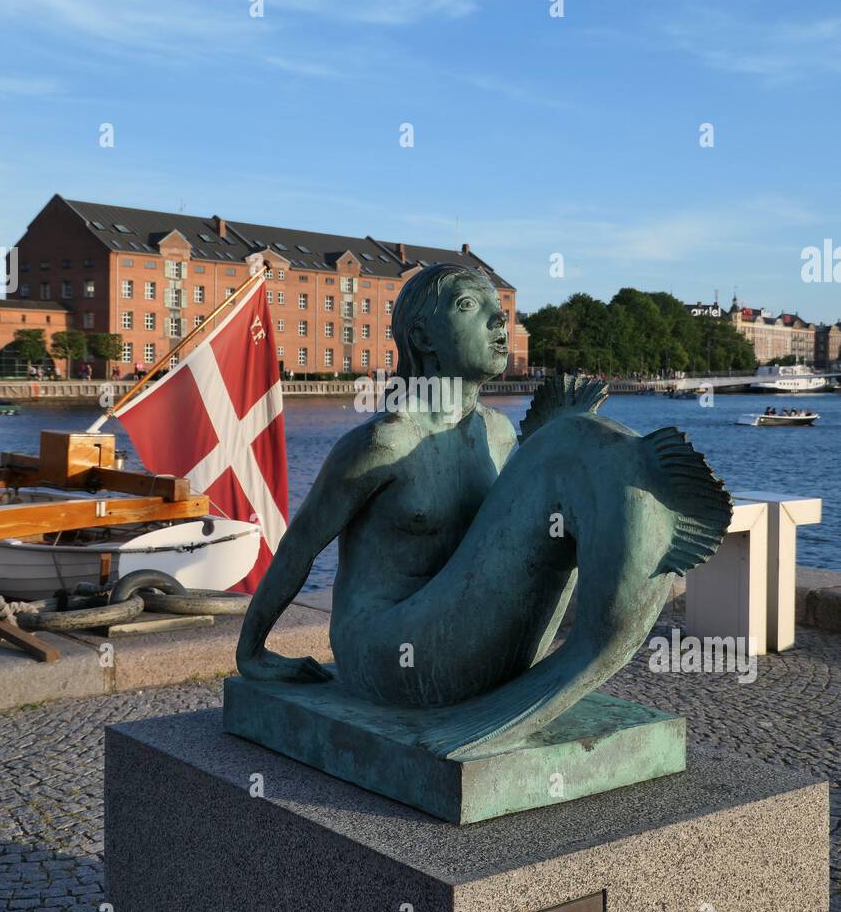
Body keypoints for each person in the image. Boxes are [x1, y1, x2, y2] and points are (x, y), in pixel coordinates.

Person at [238, 263, 729, 725]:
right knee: (567, 443)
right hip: (385, 653)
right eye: (470, 307)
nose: (500, 319)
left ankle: (596, 649)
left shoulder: (498, 434)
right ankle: (590, 654)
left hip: (467, 638)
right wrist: (252, 652)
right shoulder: (383, 444)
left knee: (567, 447)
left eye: (500, 308)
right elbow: (300, 545)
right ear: (422, 337)